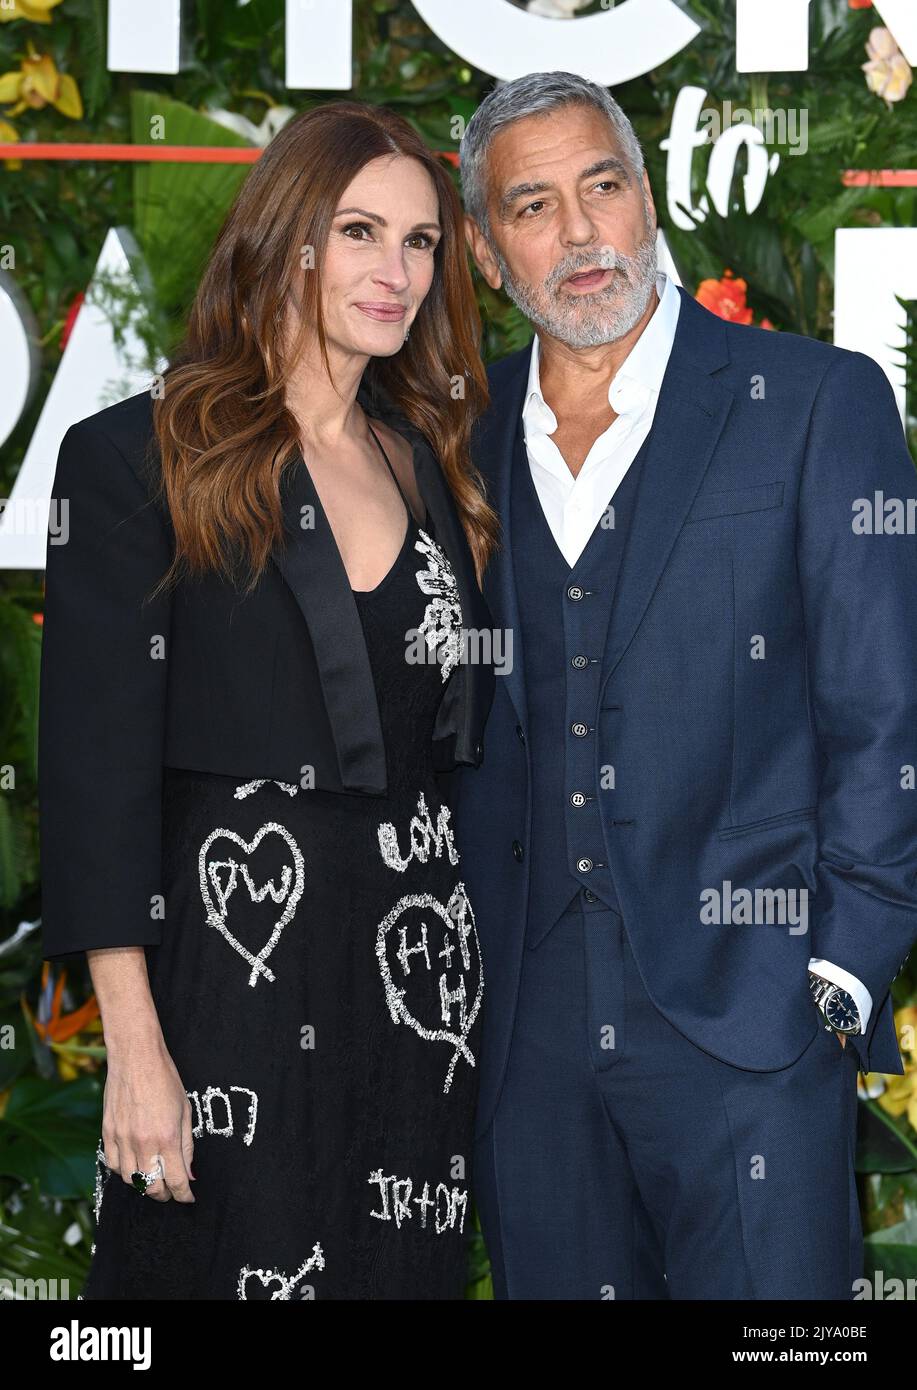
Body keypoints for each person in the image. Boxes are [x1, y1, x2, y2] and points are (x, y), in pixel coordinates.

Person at [451, 70, 917, 1300]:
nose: (580, 234)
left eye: (601, 186)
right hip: (526, 1033)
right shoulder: (452, 435)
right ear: (489, 251)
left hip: (754, 1019)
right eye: (533, 206)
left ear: (646, 200)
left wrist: (841, 971)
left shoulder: (812, 403)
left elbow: (884, 710)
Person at [38, 100, 498, 1300]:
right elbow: (96, 778)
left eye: (419, 242)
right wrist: (132, 1045)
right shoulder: (138, 457)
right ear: (290, 238)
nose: (394, 272)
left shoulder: (431, 461)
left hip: (411, 974)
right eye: (359, 232)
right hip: (226, 982)